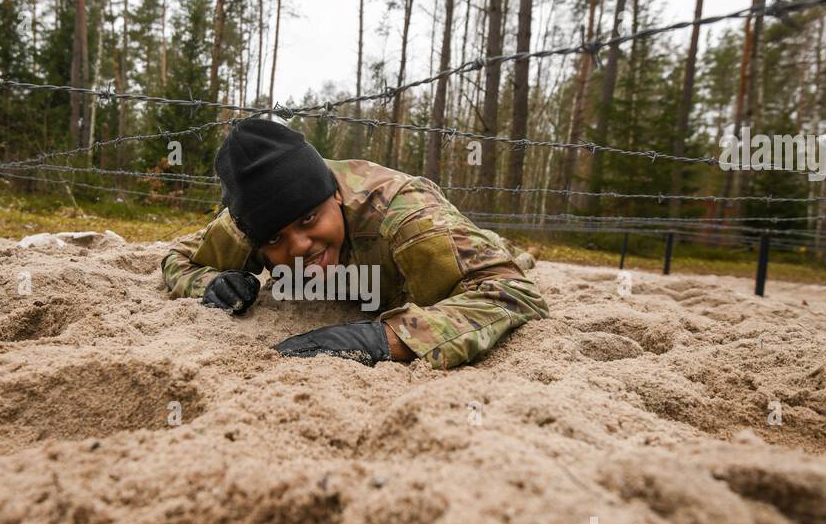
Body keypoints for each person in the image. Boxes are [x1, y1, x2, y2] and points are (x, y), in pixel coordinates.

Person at [160, 117, 548, 369]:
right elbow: (179, 258)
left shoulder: (405, 213)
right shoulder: (246, 225)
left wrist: (385, 339)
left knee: (507, 256)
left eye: (309, 219)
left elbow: (513, 293)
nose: (299, 247)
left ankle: (523, 251)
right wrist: (210, 285)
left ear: (337, 197)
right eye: (276, 238)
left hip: (447, 248)